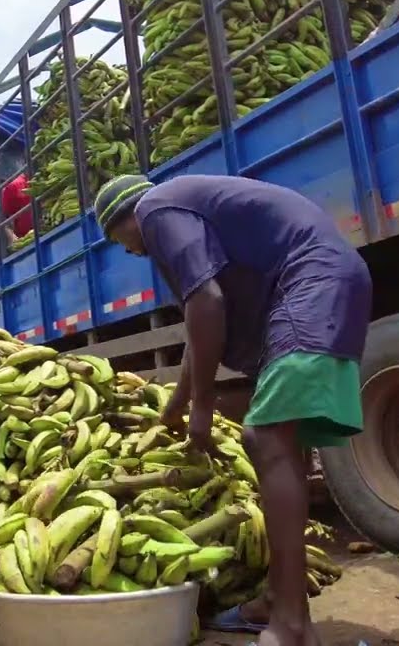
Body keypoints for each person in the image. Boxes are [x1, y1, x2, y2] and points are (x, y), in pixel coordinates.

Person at [94, 174, 372, 646]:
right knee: (279, 443)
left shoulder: (155, 210)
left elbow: (207, 301)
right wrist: (176, 408)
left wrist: (204, 406)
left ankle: (291, 626)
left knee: (265, 438)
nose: (130, 252)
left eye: (120, 242)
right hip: (318, 283)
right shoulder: (182, 207)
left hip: (310, 284)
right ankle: (279, 602)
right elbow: (198, 326)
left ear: (123, 218)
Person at [0, 173, 34, 242]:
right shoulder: (12, 187)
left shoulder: (11, 187)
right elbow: (7, 222)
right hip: (25, 236)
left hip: (26, 235)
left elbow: (6, 219)